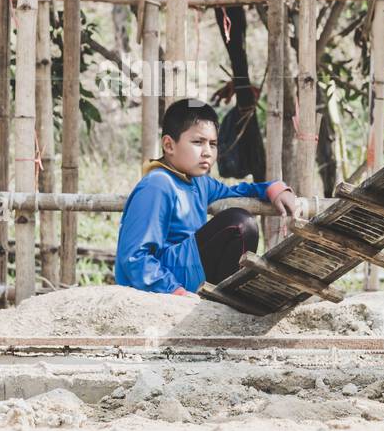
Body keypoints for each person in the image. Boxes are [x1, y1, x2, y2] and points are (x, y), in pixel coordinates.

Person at [115, 98, 300, 295]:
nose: (207, 152)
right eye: (197, 142)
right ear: (169, 145)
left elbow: (236, 192)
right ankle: (230, 295)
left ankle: (227, 297)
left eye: (213, 144)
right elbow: (134, 256)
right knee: (240, 224)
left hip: (189, 271)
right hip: (167, 278)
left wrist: (274, 189)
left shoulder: (199, 181)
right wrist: (173, 290)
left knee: (240, 223)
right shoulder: (157, 184)